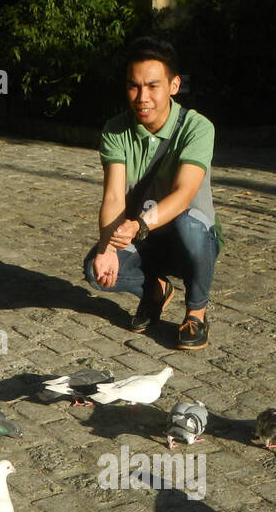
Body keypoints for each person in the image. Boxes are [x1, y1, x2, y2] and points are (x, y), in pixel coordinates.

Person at [83, 37, 219, 350]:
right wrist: (107, 246)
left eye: (153, 86)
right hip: (144, 240)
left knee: (189, 224)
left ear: (174, 85)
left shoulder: (198, 128)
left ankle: (196, 312)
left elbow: (185, 193)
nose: (142, 97)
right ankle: (155, 289)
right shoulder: (116, 130)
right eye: (133, 86)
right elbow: (114, 197)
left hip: (192, 239)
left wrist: (139, 224)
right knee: (95, 269)